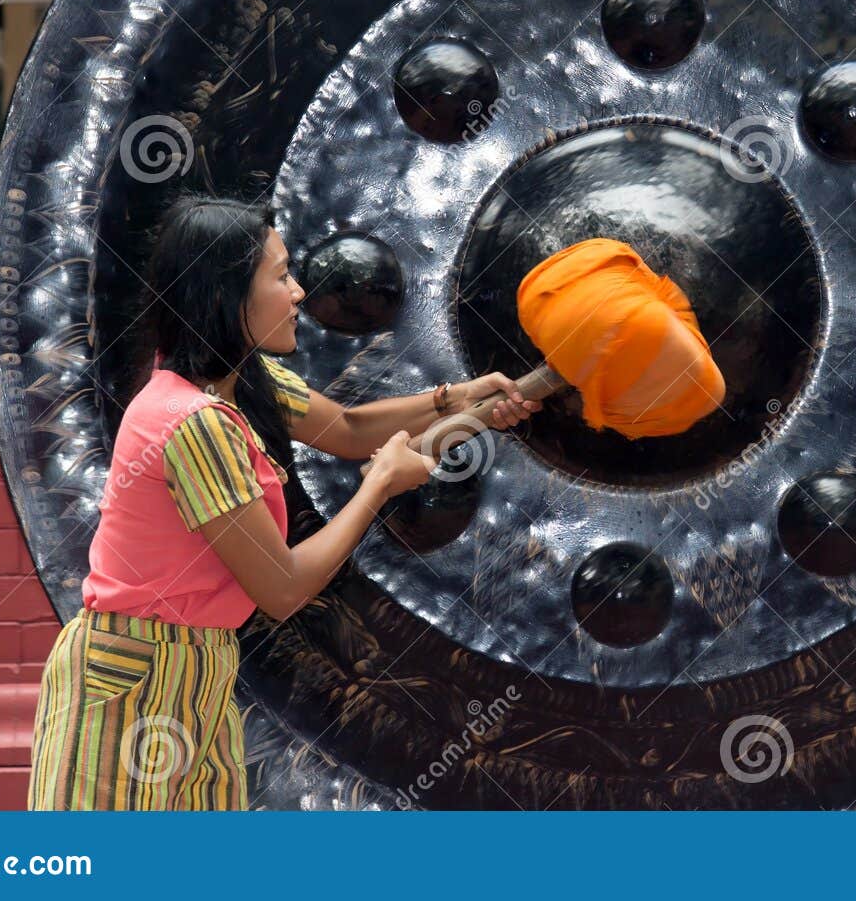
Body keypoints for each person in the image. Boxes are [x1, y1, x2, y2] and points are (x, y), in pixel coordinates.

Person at [27, 194, 540, 809]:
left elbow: (346, 430)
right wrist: (377, 487)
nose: (299, 292)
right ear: (227, 295)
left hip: (201, 668)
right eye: (280, 275)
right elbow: (283, 587)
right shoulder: (192, 420)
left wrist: (463, 403)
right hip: (132, 676)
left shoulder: (242, 383)